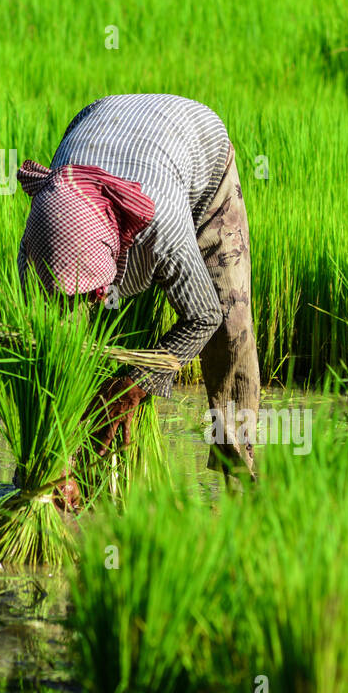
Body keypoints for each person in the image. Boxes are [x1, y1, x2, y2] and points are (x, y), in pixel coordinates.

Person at [16, 93, 260, 506]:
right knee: (59, 339)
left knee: (230, 321)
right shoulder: (43, 225)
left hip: (198, 150)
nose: (87, 302)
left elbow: (203, 316)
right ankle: (58, 468)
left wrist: (133, 385)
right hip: (99, 123)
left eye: (91, 294)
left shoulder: (162, 226)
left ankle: (241, 478)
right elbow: (44, 343)